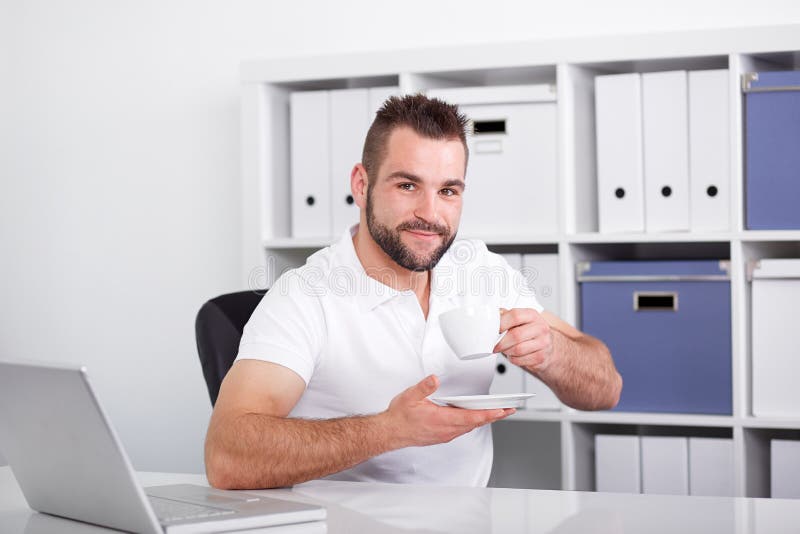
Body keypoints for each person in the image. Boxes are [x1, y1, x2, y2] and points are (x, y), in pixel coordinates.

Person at [205, 94, 621, 489]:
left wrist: (551, 354)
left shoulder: (481, 270)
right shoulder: (306, 295)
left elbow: (606, 389)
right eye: (407, 186)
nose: (430, 213)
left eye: (447, 191)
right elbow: (226, 457)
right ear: (361, 184)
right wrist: (387, 431)